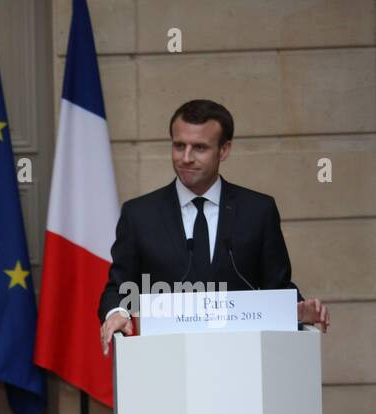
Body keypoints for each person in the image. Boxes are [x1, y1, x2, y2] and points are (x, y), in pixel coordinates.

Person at [99, 99, 329, 354]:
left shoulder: (258, 210)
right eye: (179, 146)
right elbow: (119, 287)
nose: (186, 158)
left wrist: (297, 310)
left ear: (224, 150)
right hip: (164, 364)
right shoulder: (139, 214)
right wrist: (118, 312)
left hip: (243, 361)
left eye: (199, 147)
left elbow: (276, 285)